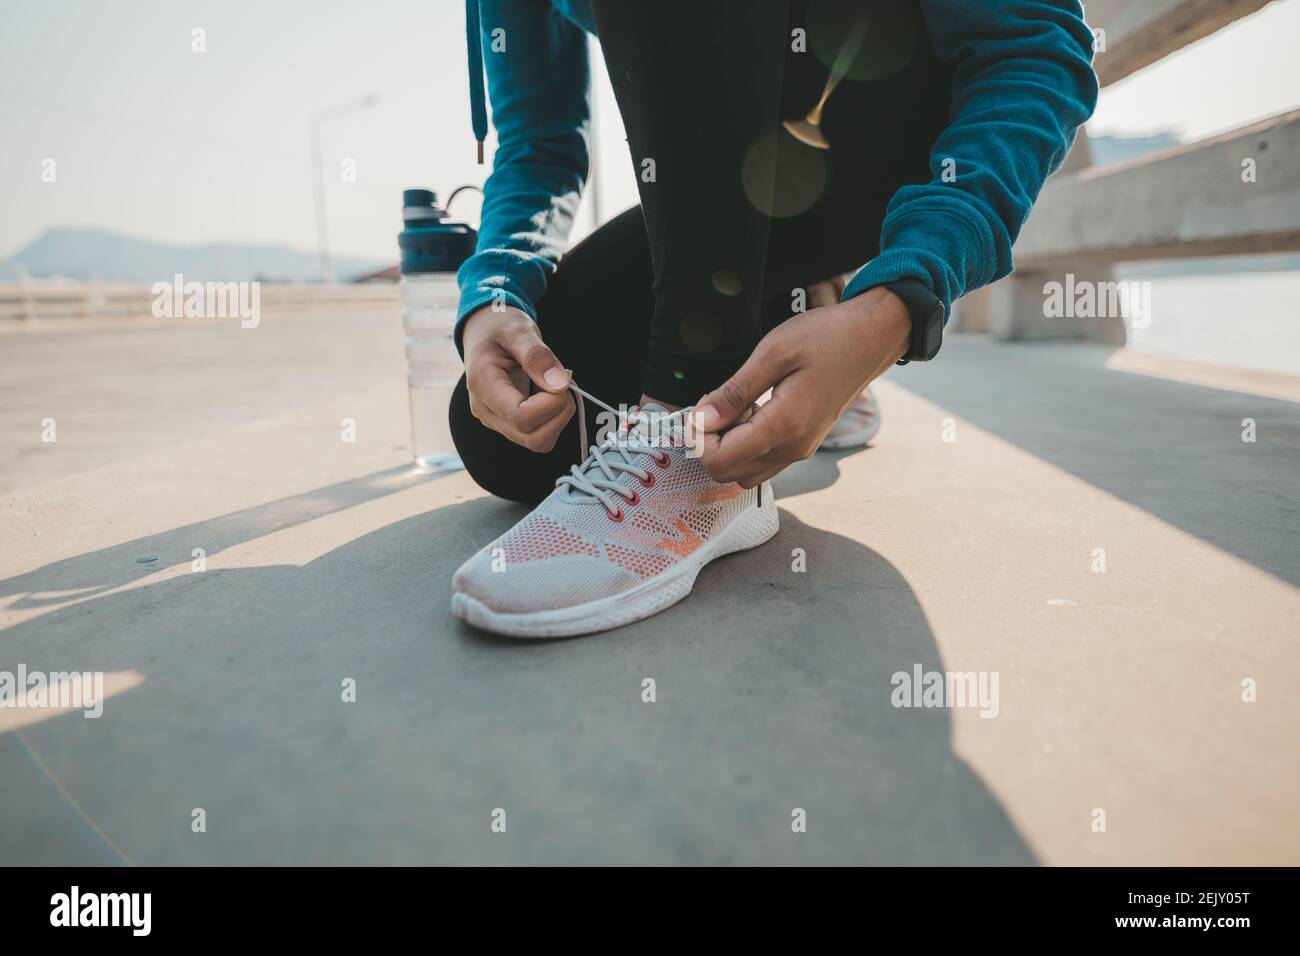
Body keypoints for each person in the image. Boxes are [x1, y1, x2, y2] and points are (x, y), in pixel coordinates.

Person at [448, 0, 1098, 636]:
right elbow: (538, 146)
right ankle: (796, 309)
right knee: (507, 440)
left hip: (884, 130)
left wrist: (899, 300)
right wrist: (493, 300)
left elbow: (1033, 52)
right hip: (717, 178)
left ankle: (690, 437)